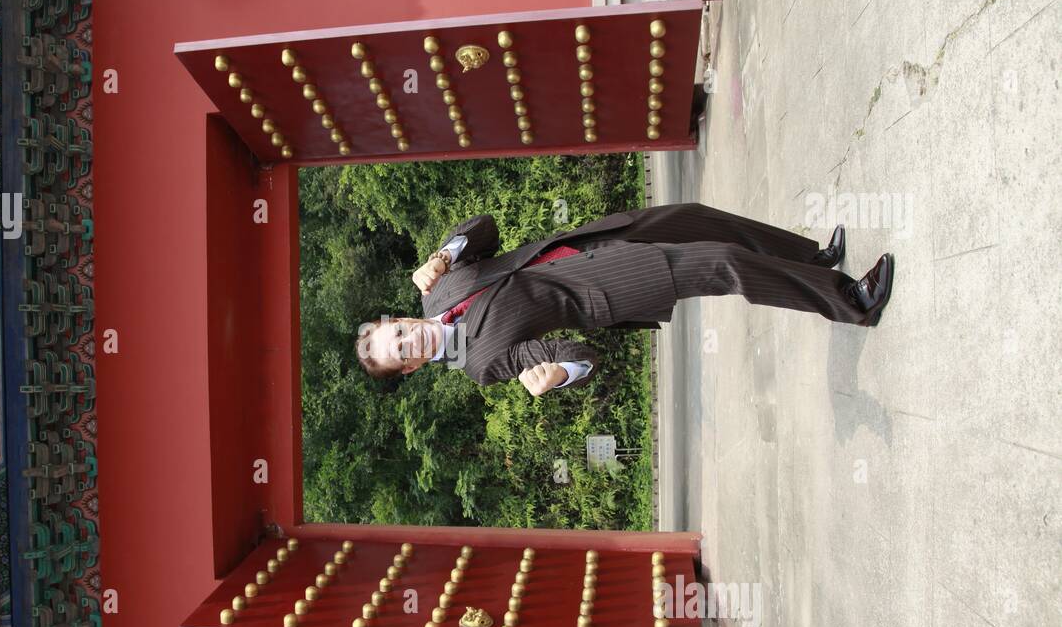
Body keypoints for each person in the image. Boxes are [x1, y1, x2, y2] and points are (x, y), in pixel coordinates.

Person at [354, 203, 894, 395]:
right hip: (609, 287)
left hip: (594, 241)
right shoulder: (482, 362)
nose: (408, 340)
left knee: (699, 218)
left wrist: (446, 254)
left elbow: (487, 229)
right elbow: (573, 353)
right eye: (400, 352)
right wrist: (561, 373)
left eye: (397, 332)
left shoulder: (439, 285)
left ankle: (812, 259)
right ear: (413, 369)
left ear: (400, 318)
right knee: (720, 265)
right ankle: (851, 303)